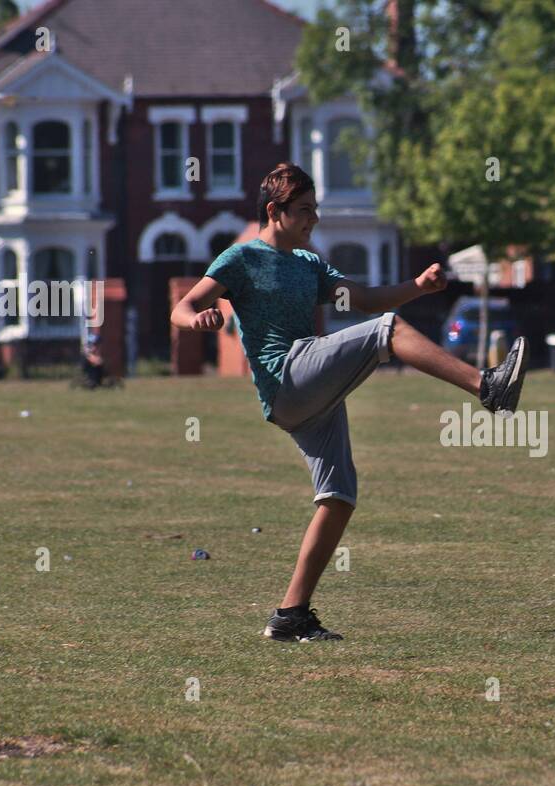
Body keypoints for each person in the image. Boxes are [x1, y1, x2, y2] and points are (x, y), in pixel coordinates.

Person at [170, 163, 528, 641]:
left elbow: (365, 300)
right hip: (287, 377)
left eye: (316, 210)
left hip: (307, 394)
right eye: (304, 210)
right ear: (274, 212)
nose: (313, 218)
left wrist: (418, 288)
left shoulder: (310, 264)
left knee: (338, 499)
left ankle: (290, 614)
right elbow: (182, 307)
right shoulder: (241, 259)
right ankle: (488, 387)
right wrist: (197, 321)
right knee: (388, 332)